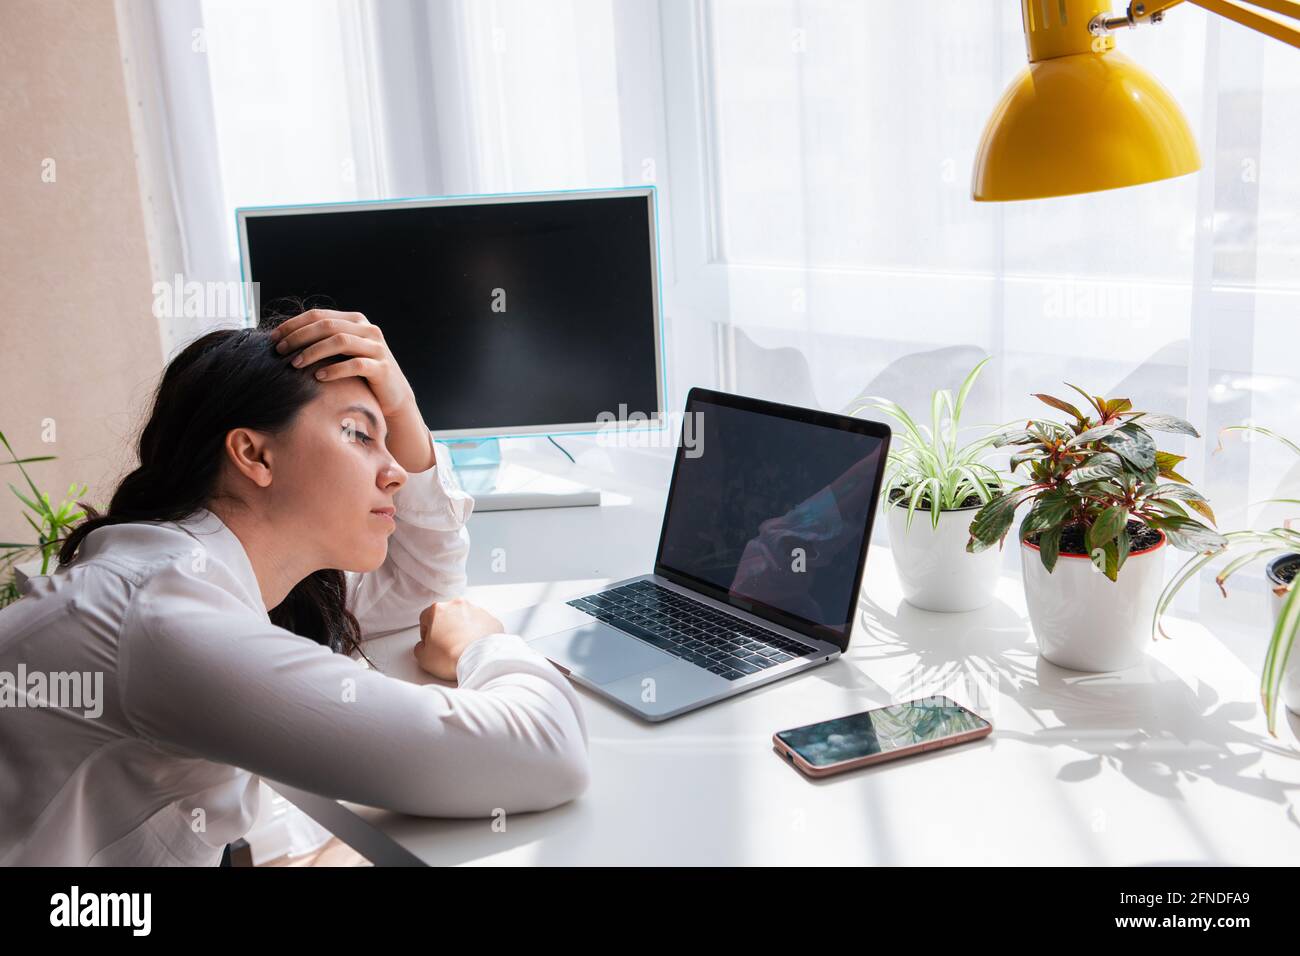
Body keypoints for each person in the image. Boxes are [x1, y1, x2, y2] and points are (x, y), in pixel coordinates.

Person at [0, 309, 590, 866]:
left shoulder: (194, 572)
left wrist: (401, 407)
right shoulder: (165, 617)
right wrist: (481, 646)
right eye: (360, 435)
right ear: (254, 454)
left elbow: (420, 590)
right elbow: (545, 752)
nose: (394, 473)